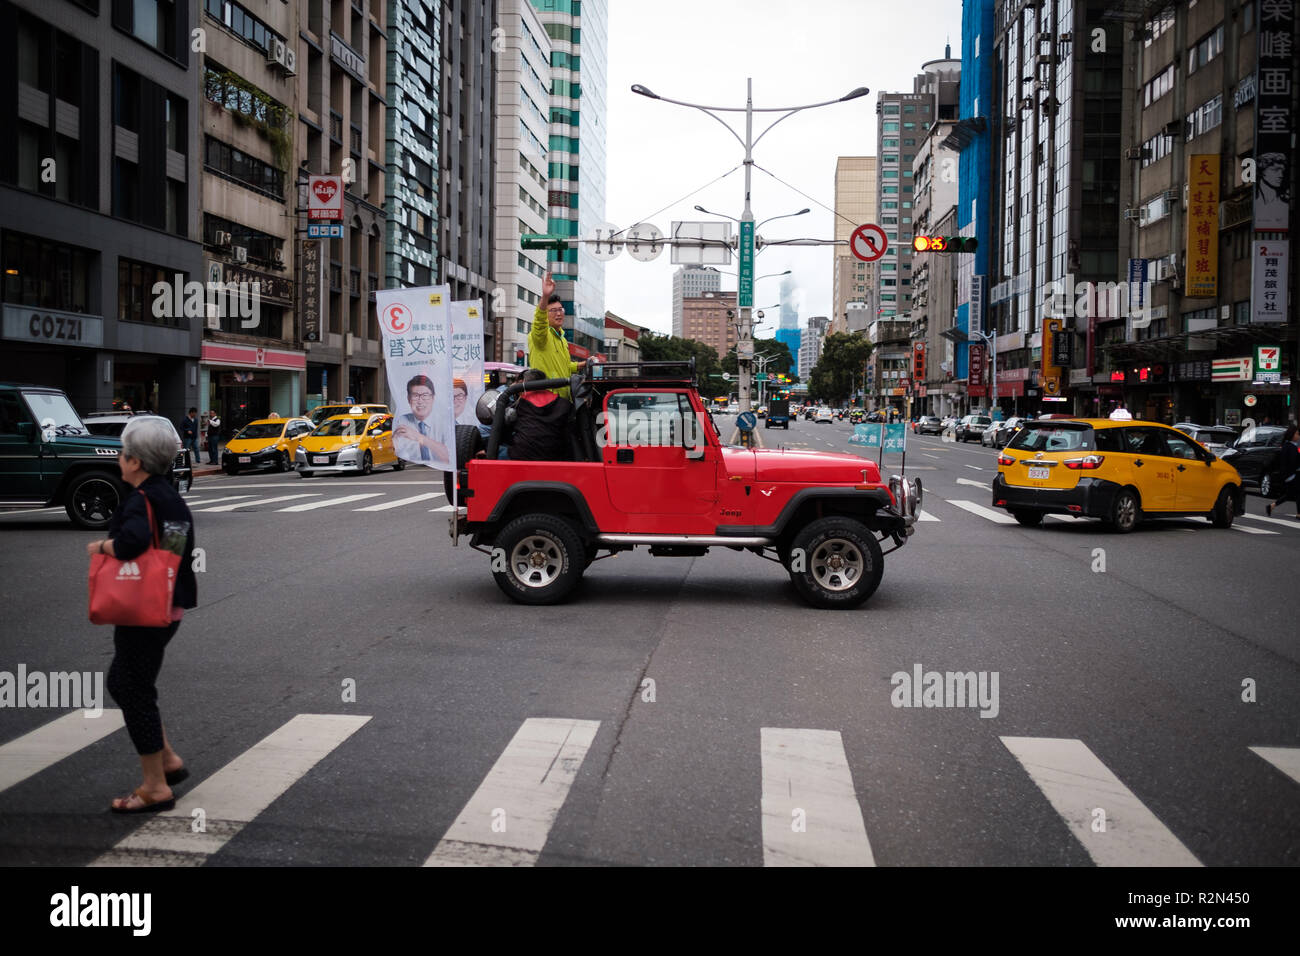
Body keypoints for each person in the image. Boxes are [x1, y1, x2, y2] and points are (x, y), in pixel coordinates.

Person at [85, 417, 198, 813]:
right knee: (127, 682)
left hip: (144, 611)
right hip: (168, 604)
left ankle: (156, 786)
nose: (119, 459)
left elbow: (132, 544)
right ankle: (166, 760)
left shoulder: (140, 499)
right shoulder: (168, 495)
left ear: (135, 462)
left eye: (122, 453)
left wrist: (101, 546)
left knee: (132, 687)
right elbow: (174, 546)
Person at [529, 273, 599, 399]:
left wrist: (583, 364)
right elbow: (539, 323)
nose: (559, 313)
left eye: (561, 309)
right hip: (546, 401)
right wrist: (545, 297)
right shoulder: (540, 336)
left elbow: (565, 366)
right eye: (554, 310)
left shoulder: (562, 338)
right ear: (545, 314)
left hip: (563, 400)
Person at [507, 369, 573, 461]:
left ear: (522, 383)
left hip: (521, 457)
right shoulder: (564, 404)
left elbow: (505, 434)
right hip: (556, 457)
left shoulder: (517, 405)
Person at [394, 373, 451, 465]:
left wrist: (419, 437)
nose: (420, 401)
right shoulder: (403, 420)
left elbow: (450, 456)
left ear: (433, 398)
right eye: (415, 395)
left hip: (437, 472)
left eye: (425, 395)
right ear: (408, 399)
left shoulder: (444, 421)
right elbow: (402, 450)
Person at [1265, 425, 1300, 518]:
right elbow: (1293, 461)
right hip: (1292, 475)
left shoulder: (1287, 446)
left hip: (1288, 475)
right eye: (1297, 434)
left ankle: (1271, 506)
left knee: (1290, 494)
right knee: (1297, 493)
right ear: (1292, 435)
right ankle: (1299, 513)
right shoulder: (1291, 447)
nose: (1298, 436)